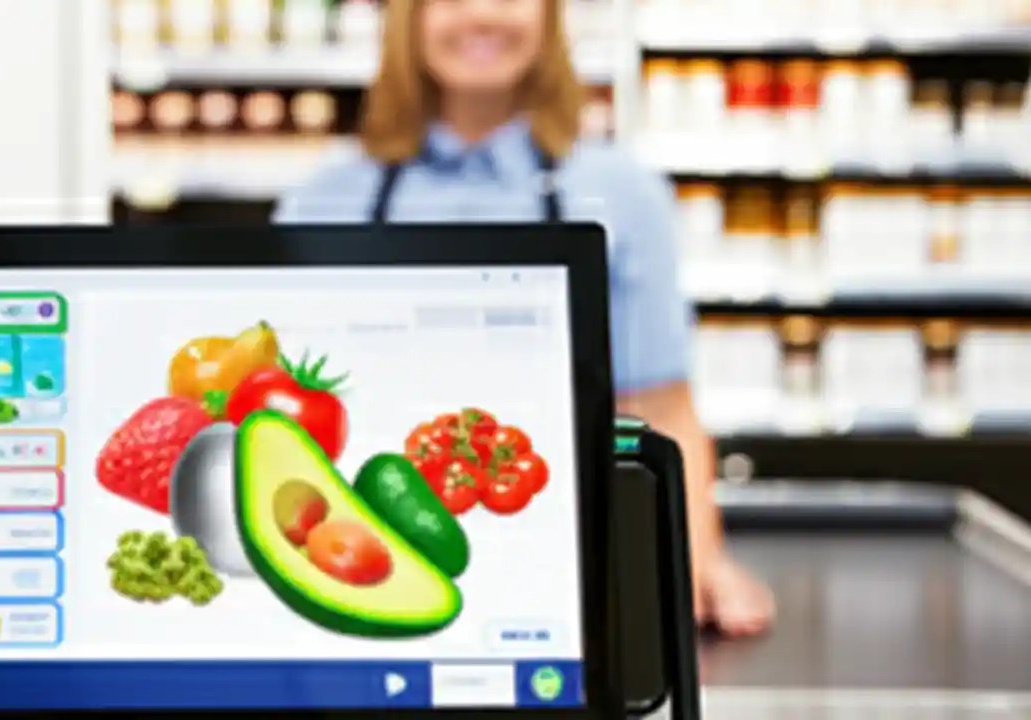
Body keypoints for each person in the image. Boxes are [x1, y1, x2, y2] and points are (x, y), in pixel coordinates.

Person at [273, 0, 775, 636]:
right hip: (369, 547)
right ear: (410, 20)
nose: (483, 14)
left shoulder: (623, 195)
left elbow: (664, 409)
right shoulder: (324, 201)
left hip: (562, 562)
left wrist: (698, 562)